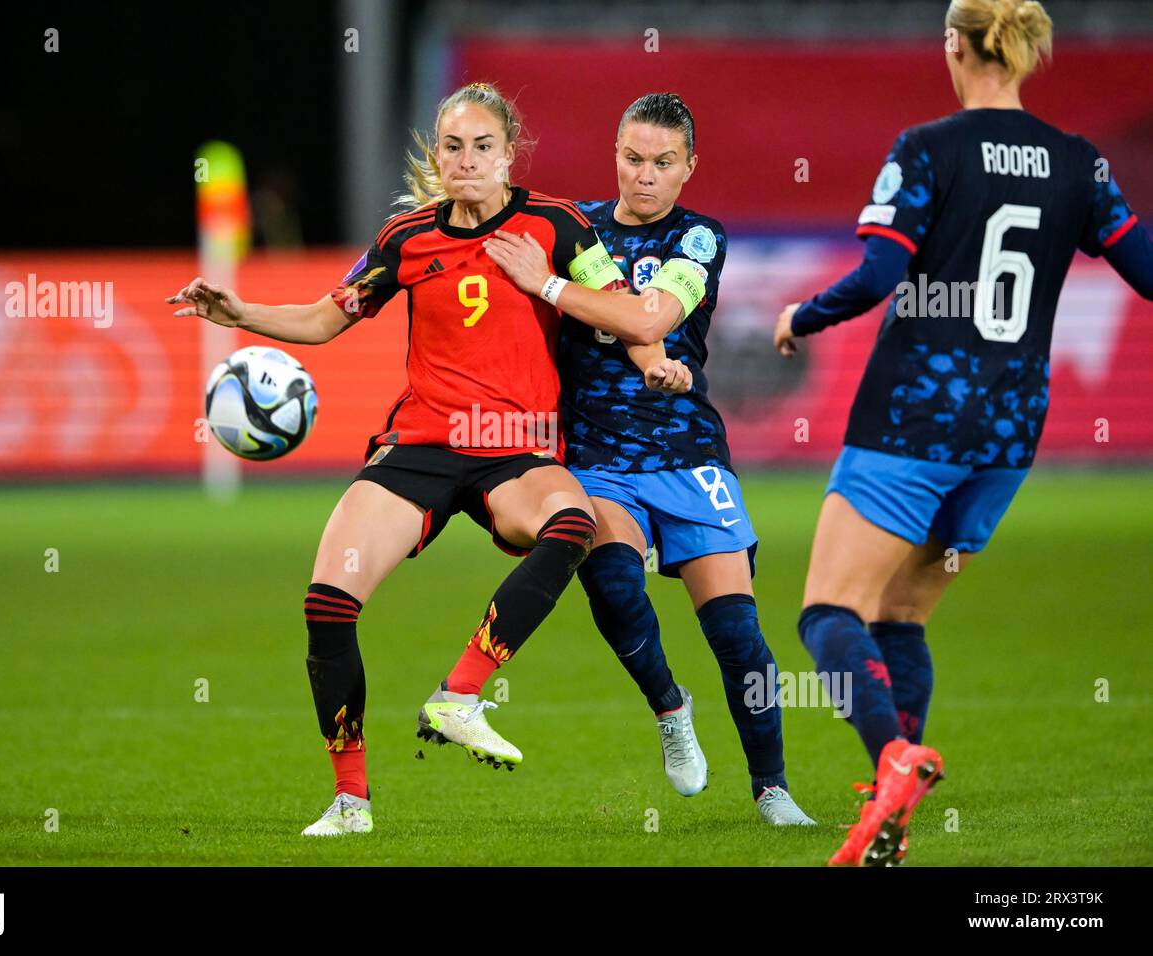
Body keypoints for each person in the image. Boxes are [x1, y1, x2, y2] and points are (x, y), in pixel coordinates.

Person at [167, 82, 691, 838]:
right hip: (420, 447)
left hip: (516, 448)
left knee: (571, 521)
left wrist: (655, 359)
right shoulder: (407, 238)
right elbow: (326, 316)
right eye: (453, 146)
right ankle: (350, 803)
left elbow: (619, 307)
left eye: (483, 147)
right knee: (327, 603)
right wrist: (239, 312)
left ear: (509, 154)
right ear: (436, 154)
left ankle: (462, 693)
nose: (467, 160)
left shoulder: (558, 226)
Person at [772, 0, 1153, 865]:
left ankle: (893, 759)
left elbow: (877, 273)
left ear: (954, 44)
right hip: (1011, 429)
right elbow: (1147, 270)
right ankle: (888, 799)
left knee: (830, 612)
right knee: (902, 615)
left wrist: (802, 314)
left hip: (917, 416)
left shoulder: (928, 148)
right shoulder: (1079, 164)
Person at [483, 94, 815, 826]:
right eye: (633, 159)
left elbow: (652, 317)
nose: (645, 177)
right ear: (616, 156)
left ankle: (773, 789)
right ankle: (671, 710)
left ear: (689, 166)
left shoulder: (700, 238)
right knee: (614, 584)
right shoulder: (577, 230)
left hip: (688, 452)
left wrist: (551, 285)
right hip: (597, 458)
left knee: (738, 636)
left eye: (663, 163)